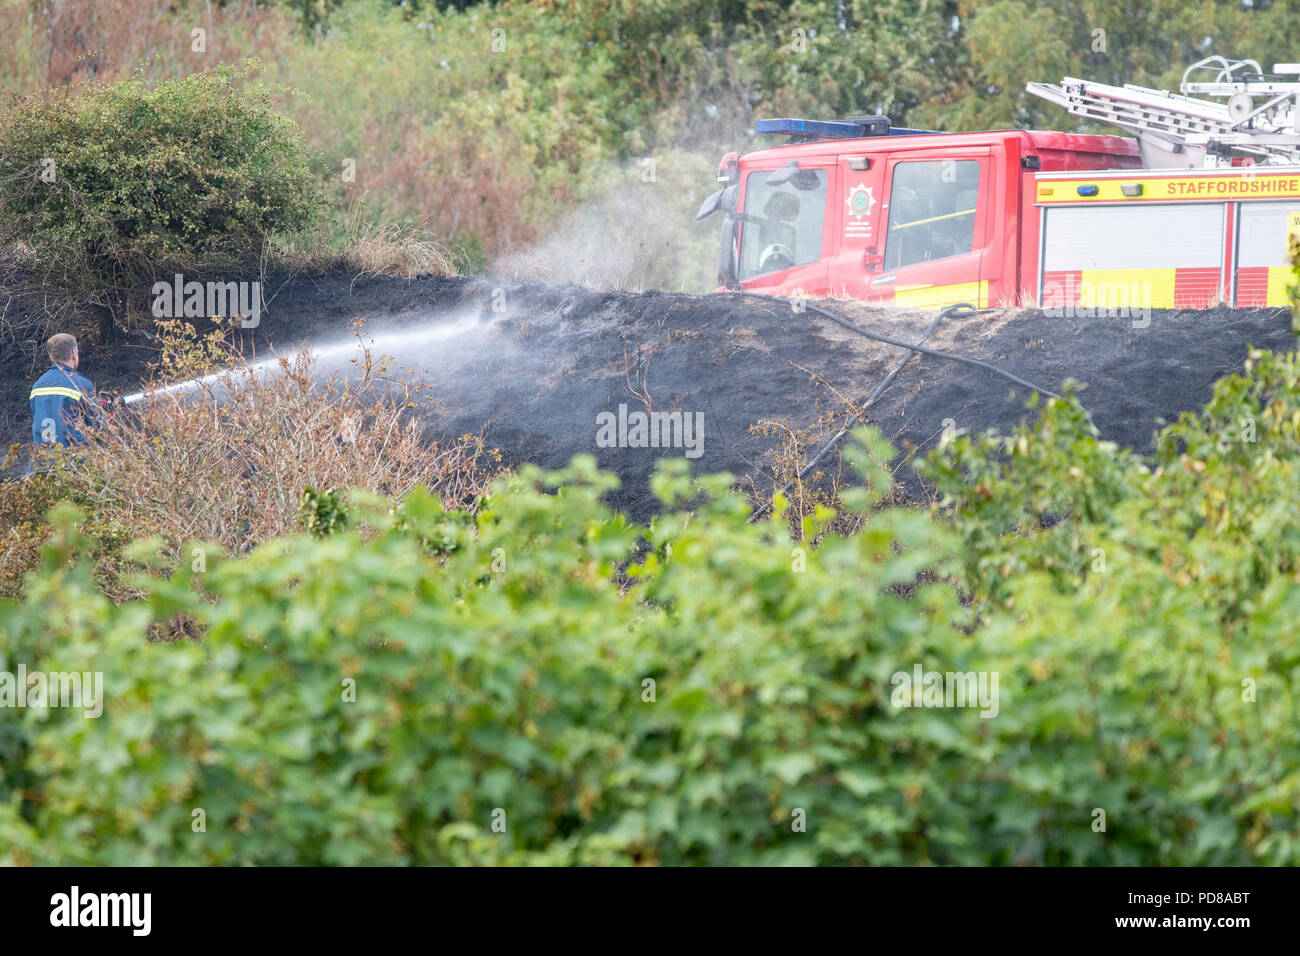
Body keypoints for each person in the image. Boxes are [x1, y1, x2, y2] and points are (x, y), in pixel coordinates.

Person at [30, 333, 98, 450]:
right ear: (73, 354)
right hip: (73, 461)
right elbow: (98, 425)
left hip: (41, 461)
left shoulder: (37, 387)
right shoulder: (81, 386)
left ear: (51, 357)